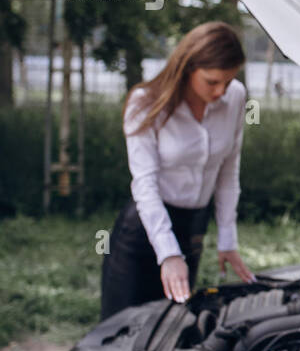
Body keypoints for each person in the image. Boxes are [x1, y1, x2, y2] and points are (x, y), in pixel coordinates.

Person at [99, 21, 256, 321]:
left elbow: (227, 171)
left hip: (193, 230)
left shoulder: (235, 97)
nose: (221, 90)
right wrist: (169, 254)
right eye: (211, 82)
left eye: (228, 80)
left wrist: (227, 239)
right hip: (143, 233)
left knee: (171, 331)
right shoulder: (144, 103)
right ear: (188, 67)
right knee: (120, 337)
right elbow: (144, 184)